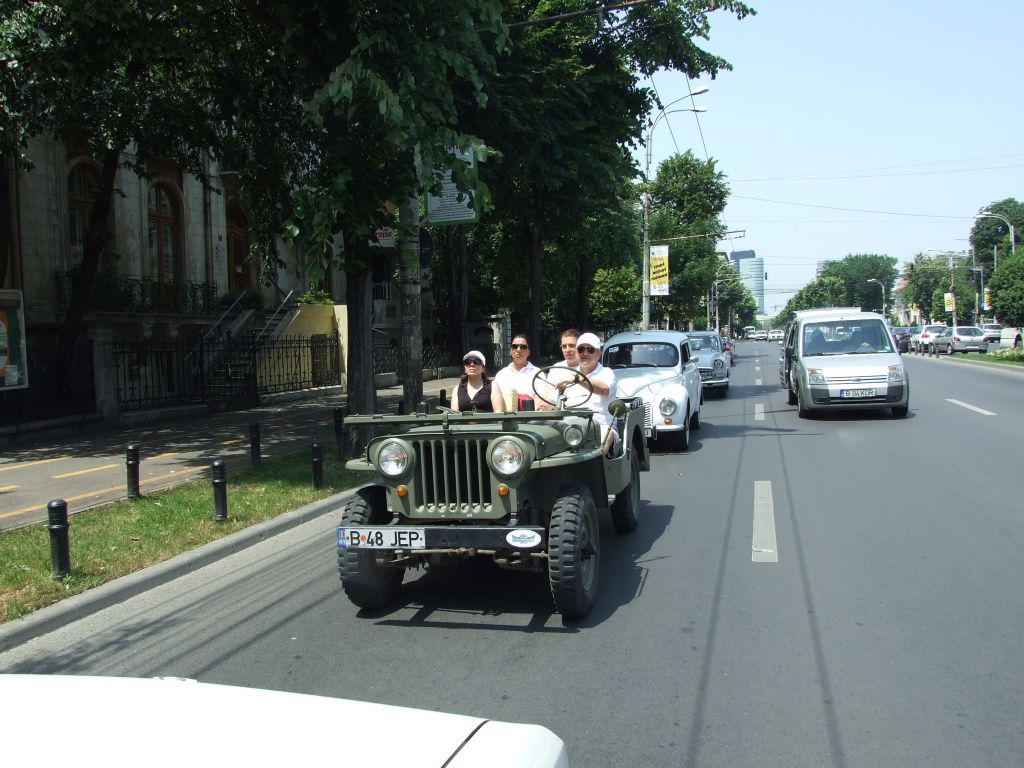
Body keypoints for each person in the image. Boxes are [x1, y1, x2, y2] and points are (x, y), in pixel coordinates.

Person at [555, 332, 615, 427]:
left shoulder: (606, 372)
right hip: (571, 427)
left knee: (604, 437)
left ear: (599, 354)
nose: (585, 353)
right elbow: (551, 401)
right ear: (576, 353)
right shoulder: (568, 375)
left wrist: (577, 379)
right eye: (581, 349)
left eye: (590, 350)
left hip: (600, 425)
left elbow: (604, 389)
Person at [493, 333, 540, 410]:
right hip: (506, 419)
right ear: (511, 351)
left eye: (523, 347)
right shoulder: (501, 374)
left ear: (528, 352)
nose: (518, 350)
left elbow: (542, 400)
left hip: (531, 419)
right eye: (514, 347)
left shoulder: (538, 373)